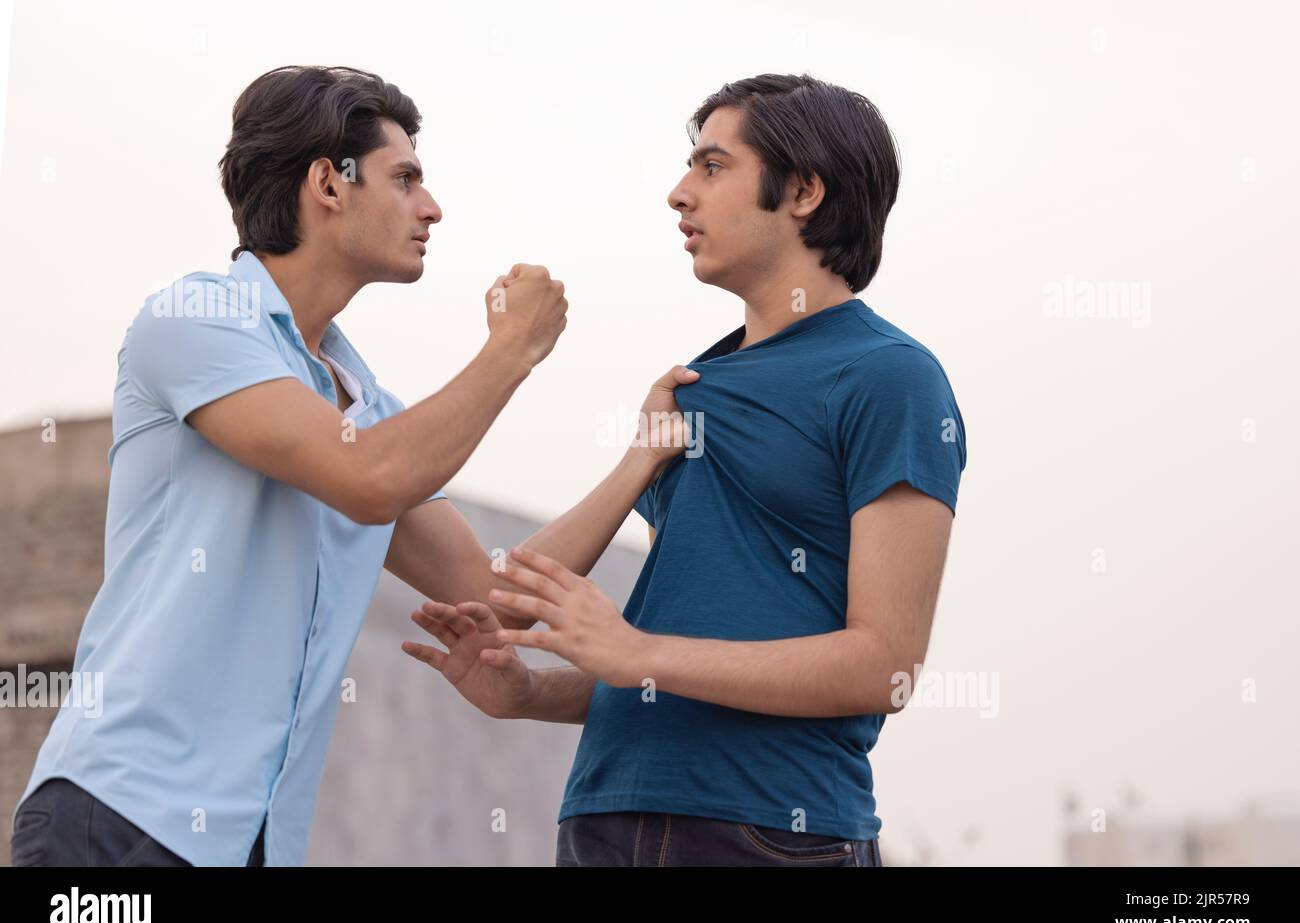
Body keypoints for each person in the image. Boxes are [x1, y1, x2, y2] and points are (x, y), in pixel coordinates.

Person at [9, 64, 690, 867]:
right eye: (405, 179)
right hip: (116, 817)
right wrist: (511, 349)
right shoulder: (196, 319)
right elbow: (365, 478)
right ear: (328, 183)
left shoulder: (363, 400)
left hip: (251, 844)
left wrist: (641, 460)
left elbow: (493, 594)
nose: (432, 208)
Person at [405, 73, 968, 867]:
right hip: (603, 819)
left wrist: (634, 652)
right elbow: (688, 651)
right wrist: (537, 693)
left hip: (772, 831)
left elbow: (886, 665)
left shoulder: (891, 377)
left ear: (803, 190)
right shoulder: (694, 387)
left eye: (711, 166)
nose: (678, 193)